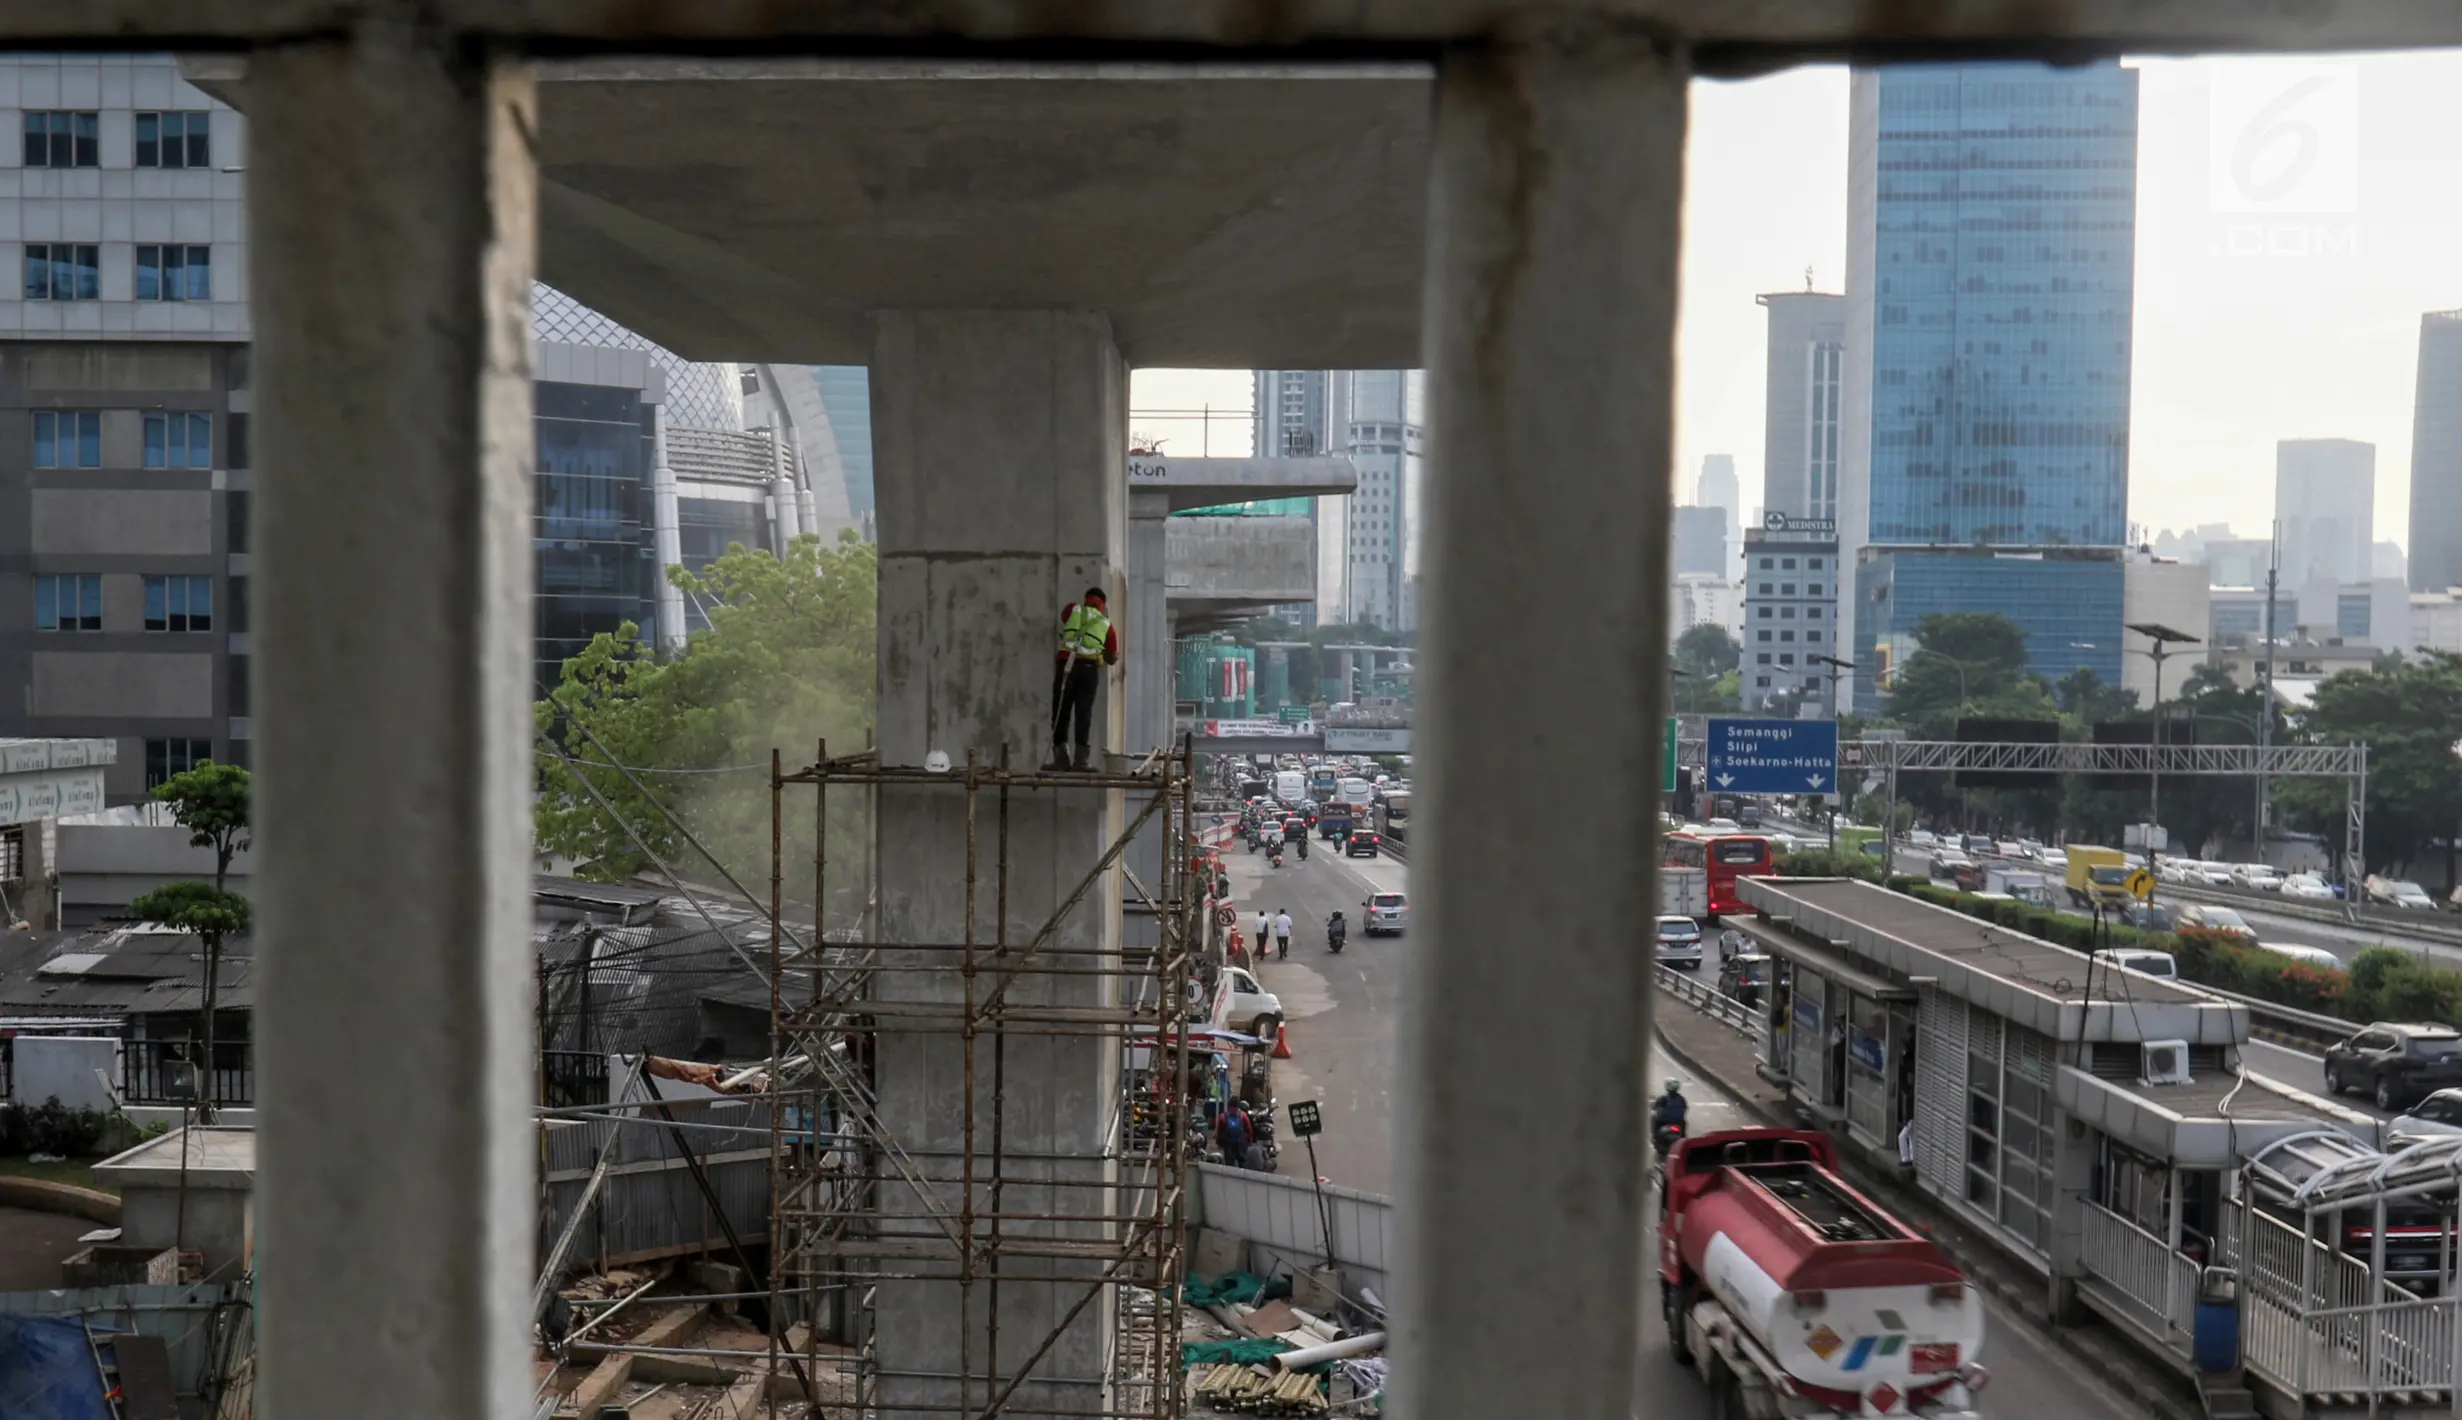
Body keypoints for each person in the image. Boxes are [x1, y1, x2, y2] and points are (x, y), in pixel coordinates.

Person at [1046, 586, 1119, 772]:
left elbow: (1064, 618)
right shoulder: (1106, 624)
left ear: (1086, 599)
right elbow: (1112, 656)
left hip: (1066, 667)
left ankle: (1061, 759)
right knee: (1083, 714)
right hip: (1088, 670)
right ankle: (1081, 761)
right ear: (1103, 605)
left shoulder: (1073, 609)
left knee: (1061, 712)